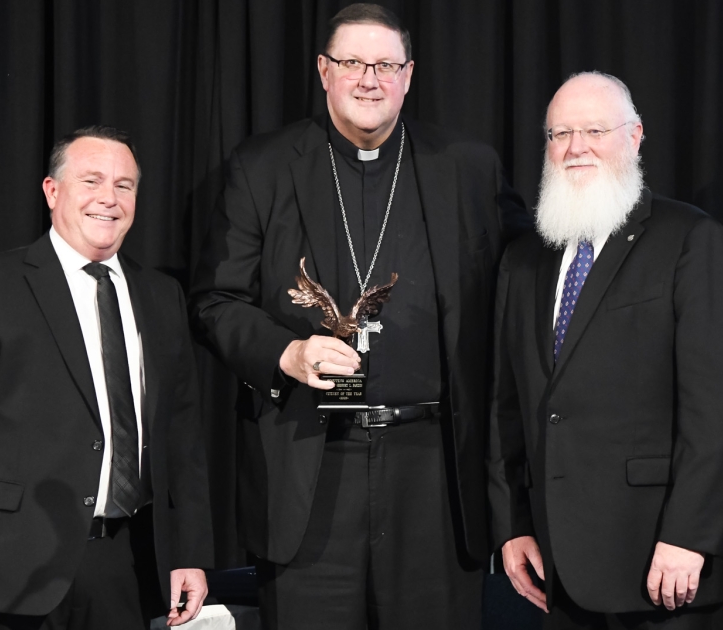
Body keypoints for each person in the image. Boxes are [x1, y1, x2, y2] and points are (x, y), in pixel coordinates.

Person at [189, 4, 526, 628]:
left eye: (386, 65)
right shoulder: (263, 167)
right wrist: (286, 353)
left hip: (434, 478)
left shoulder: (468, 167)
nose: (369, 79)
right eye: (352, 63)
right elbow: (216, 300)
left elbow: (523, 292)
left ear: (409, 74)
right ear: (323, 71)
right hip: (312, 467)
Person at [0, 125, 213, 630]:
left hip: (127, 567)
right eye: (91, 181)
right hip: (7, 571)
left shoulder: (161, 295)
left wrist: (190, 551)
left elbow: (181, 436)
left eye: (124, 185)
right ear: (52, 192)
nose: (109, 199)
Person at [488, 72, 723, 630]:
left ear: (634, 137)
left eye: (593, 130)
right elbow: (505, 406)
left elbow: (720, 408)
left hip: (662, 565)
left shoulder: (690, 239)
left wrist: (689, 535)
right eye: (559, 134)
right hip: (556, 568)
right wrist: (511, 525)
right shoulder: (524, 259)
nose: (574, 147)